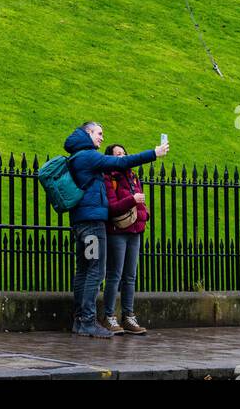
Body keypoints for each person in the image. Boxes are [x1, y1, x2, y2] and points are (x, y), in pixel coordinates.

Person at [63, 122, 168, 338]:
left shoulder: (77, 156)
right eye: (99, 134)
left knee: (84, 270)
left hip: (82, 222)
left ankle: (80, 320)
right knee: (95, 271)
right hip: (92, 225)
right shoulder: (88, 156)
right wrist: (153, 153)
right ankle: (87, 321)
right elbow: (122, 162)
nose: (101, 138)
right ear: (88, 133)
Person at [101, 144, 149, 335]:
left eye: (123, 153)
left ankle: (128, 316)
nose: (122, 156)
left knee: (130, 276)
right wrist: (133, 200)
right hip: (117, 231)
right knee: (115, 275)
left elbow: (141, 203)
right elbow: (111, 207)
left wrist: (145, 215)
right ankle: (108, 316)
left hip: (135, 230)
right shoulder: (109, 177)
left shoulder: (133, 176)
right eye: (117, 154)